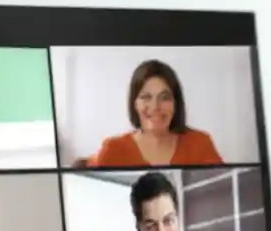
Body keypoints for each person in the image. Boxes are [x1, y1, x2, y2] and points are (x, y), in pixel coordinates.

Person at [82, 59, 224, 168]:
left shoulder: (200, 144)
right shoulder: (113, 149)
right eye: (146, 97)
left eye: (164, 97)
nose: (155, 106)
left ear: (176, 103)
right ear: (134, 103)